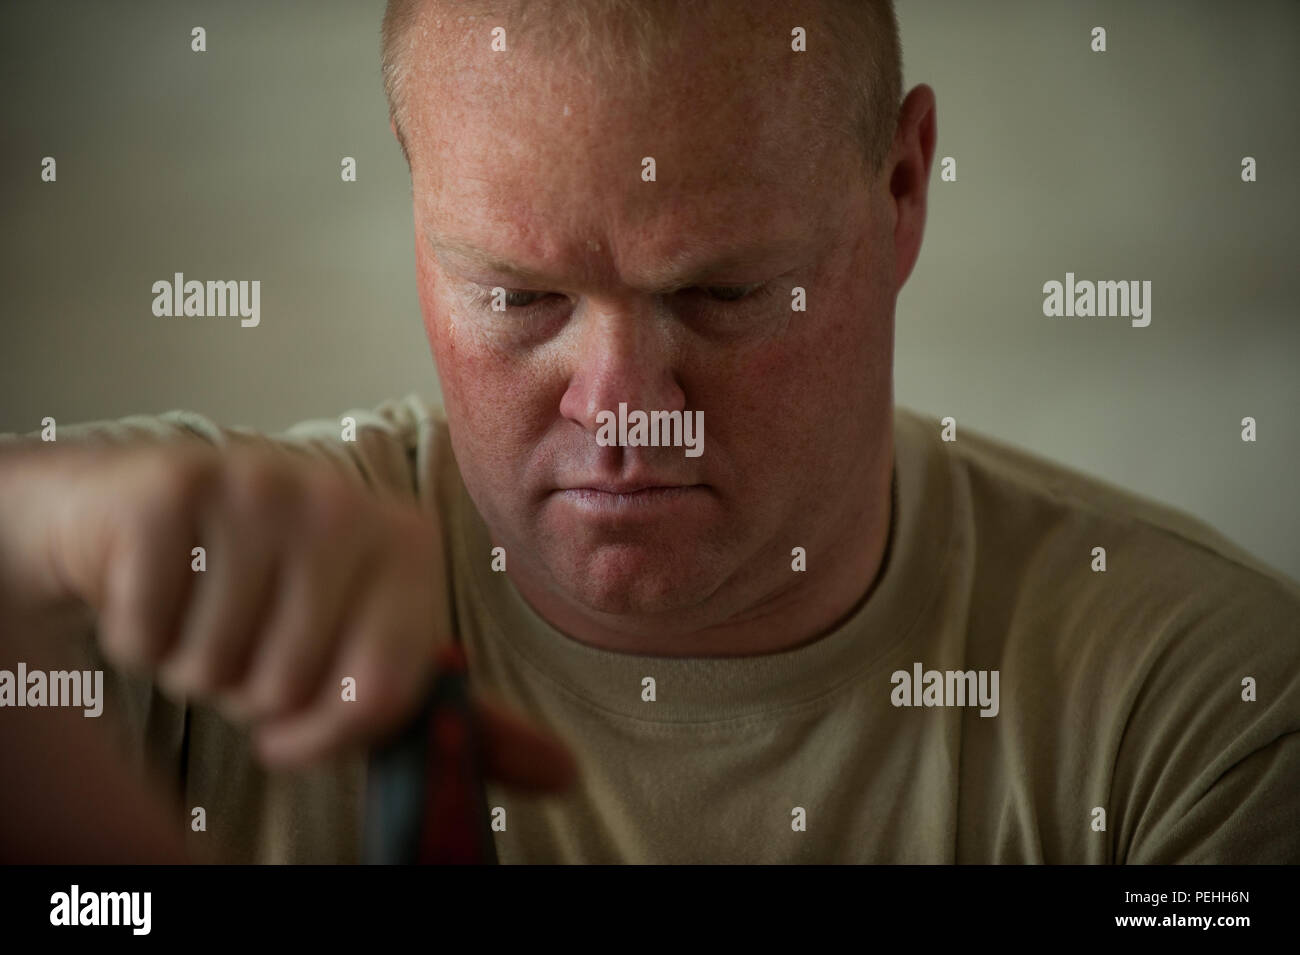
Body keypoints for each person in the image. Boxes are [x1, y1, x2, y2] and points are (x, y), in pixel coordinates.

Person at [1, 0, 1297, 864]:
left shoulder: (1204, 711)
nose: (618, 407)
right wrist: (47, 536)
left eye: (721, 294)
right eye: (519, 296)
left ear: (901, 191)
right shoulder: (163, 614)